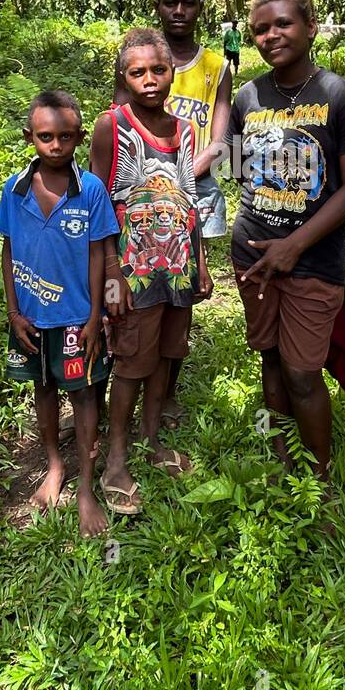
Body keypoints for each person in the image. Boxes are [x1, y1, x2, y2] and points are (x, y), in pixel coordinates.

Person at [221, 0, 345, 482]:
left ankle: (317, 476)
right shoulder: (247, 96)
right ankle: (284, 457)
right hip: (252, 255)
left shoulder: (339, 95)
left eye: (283, 24)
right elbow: (241, 167)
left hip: (312, 260)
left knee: (303, 372)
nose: (271, 36)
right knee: (270, 358)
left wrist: (294, 244)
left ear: (309, 27)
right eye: (260, 29)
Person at [90, 28, 213, 516]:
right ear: (124, 77)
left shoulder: (183, 129)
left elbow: (189, 197)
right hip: (133, 268)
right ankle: (115, 460)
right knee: (131, 365)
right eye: (137, 72)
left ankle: (152, 438)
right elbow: (97, 205)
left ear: (172, 73)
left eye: (158, 70)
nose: (149, 80)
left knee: (165, 355)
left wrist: (200, 261)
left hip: (177, 264)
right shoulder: (112, 126)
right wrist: (110, 275)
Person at [0, 91, 117, 537]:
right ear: (30, 137)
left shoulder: (92, 191)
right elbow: (8, 250)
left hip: (76, 320)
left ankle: (86, 486)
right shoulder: (15, 190)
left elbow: (100, 253)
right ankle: (54, 465)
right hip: (29, 318)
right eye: (46, 137)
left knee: (84, 396)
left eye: (66, 136)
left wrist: (94, 316)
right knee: (42, 390)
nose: (56, 145)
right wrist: (13, 311)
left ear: (80, 137)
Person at [112, 0, 230, 428]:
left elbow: (220, 140)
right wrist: (154, 180)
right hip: (140, 197)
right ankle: (129, 384)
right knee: (138, 293)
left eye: (189, 2)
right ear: (158, 4)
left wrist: (183, 174)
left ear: (201, 7)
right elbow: (120, 120)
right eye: (170, 2)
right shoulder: (140, 56)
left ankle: (168, 391)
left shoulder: (216, 67)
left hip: (191, 191)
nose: (179, 11)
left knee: (182, 295)